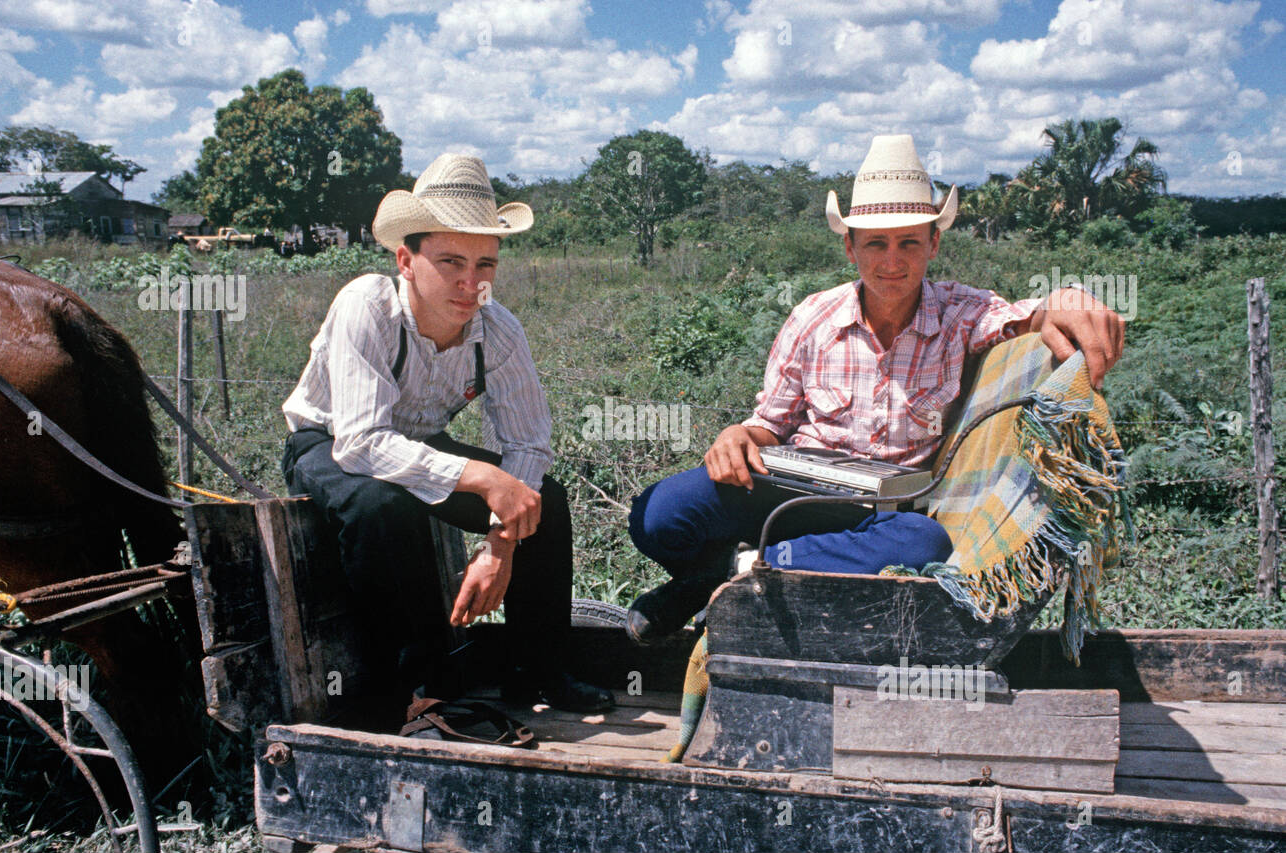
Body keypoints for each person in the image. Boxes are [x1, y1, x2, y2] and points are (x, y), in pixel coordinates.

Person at [626, 134, 1125, 644]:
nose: (892, 261)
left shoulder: (963, 313)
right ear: (850, 246)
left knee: (922, 542)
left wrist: (1069, 296)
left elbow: (1027, 316)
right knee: (658, 516)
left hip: (881, 517)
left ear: (934, 242)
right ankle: (736, 574)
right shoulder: (812, 318)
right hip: (795, 488)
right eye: (875, 243)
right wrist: (740, 434)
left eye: (909, 241)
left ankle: (726, 577)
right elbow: (771, 424)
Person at [281, 153, 614, 714]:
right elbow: (361, 443)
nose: (470, 282)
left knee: (544, 500)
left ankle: (538, 670)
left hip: (421, 441)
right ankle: (409, 689)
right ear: (407, 260)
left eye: (486, 264)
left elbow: (528, 444)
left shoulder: (497, 329)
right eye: (451, 261)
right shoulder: (368, 304)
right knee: (381, 506)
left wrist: (499, 543)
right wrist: (483, 477)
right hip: (328, 442)